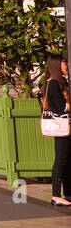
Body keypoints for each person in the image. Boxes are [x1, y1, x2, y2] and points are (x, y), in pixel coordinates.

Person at [44, 56, 69, 207]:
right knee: (60, 160)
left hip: (66, 125)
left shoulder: (61, 82)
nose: (66, 66)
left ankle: (67, 193)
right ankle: (55, 195)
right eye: (64, 63)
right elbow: (59, 107)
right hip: (61, 126)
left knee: (66, 160)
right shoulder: (53, 83)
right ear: (57, 65)